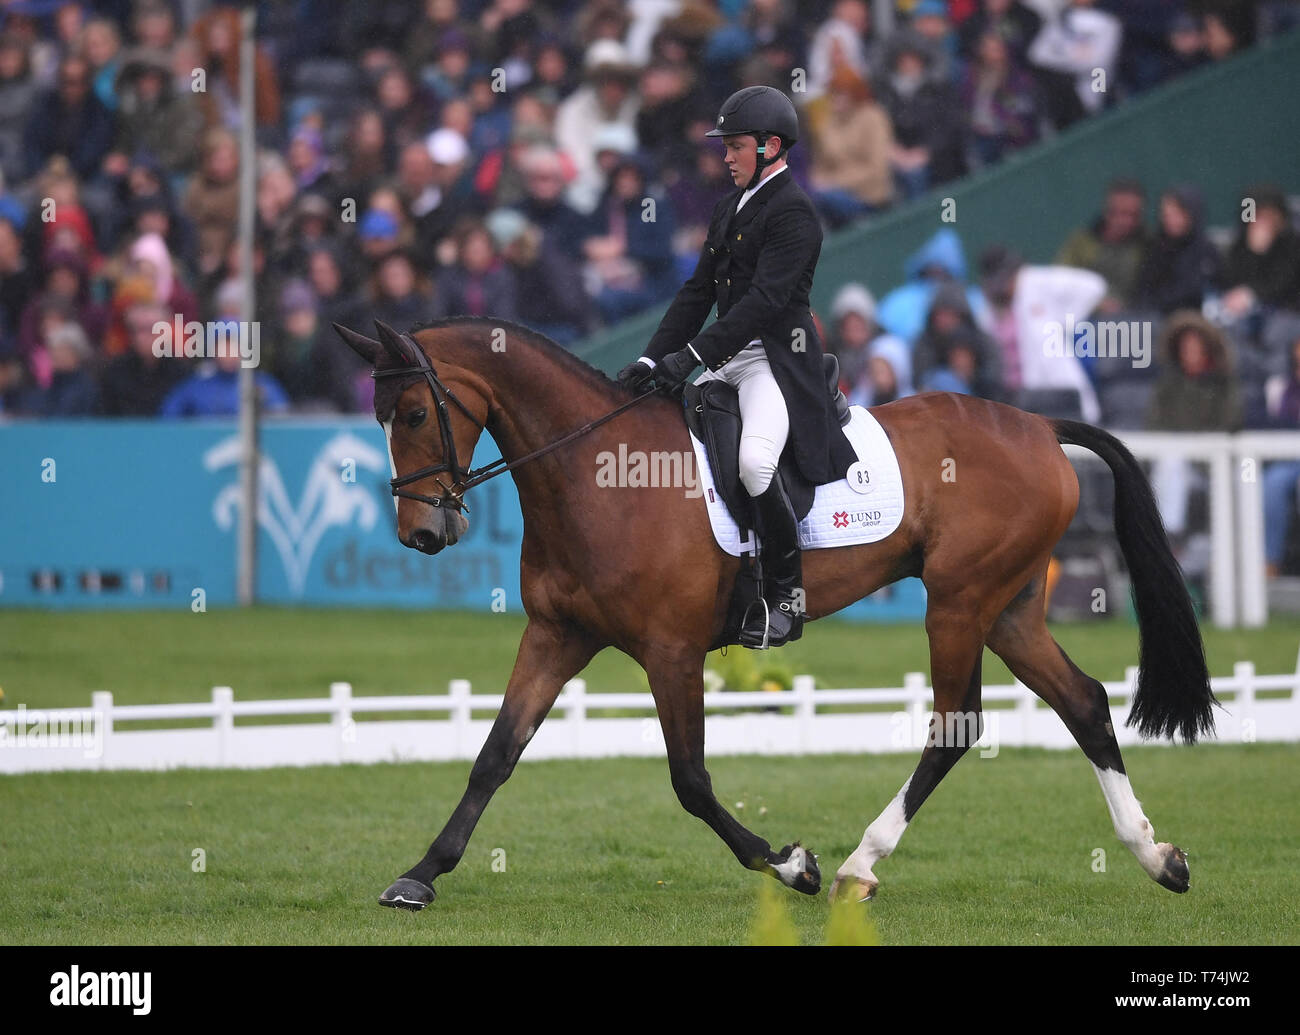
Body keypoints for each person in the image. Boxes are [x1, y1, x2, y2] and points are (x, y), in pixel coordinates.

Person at [616, 86, 857, 649]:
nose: (725, 156)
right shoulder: (731, 207)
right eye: (724, 147)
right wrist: (653, 357)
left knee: (754, 464)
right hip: (726, 358)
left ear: (771, 146)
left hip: (772, 362)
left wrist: (693, 357)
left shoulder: (796, 213)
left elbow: (764, 303)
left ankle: (783, 599)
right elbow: (699, 290)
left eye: (735, 146)